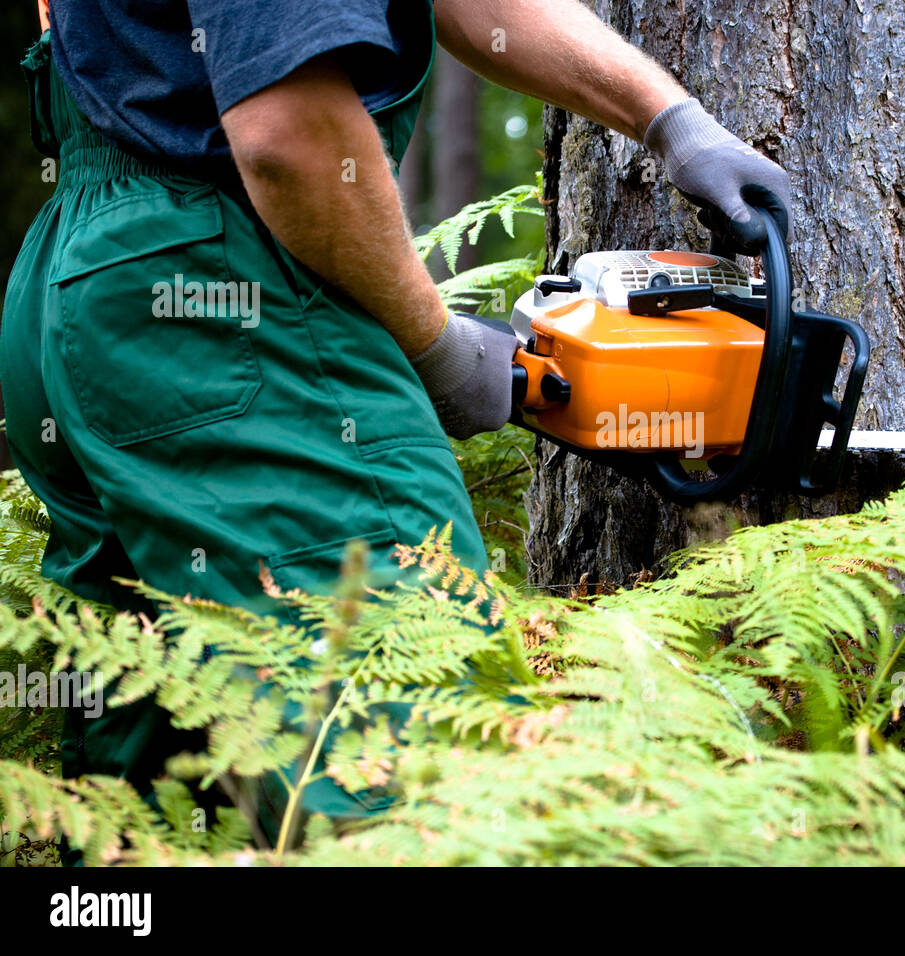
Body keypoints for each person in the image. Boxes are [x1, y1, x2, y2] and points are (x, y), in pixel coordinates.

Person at [0, 0, 791, 833]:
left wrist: (667, 119)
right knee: (422, 779)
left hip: (95, 287)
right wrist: (437, 346)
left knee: (159, 809)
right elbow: (286, 130)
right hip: (223, 293)